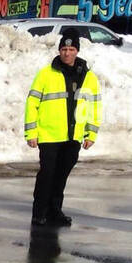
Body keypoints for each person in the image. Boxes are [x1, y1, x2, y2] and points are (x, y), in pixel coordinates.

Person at [24, 28, 101, 227]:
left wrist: (91, 134)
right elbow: (32, 104)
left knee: (61, 177)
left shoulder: (88, 77)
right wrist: (31, 133)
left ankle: (55, 211)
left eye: (71, 49)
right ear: (59, 50)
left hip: (73, 136)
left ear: (77, 51)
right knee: (47, 175)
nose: (67, 53)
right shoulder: (45, 74)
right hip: (49, 135)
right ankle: (39, 212)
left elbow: (94, 106)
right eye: (64, 49)